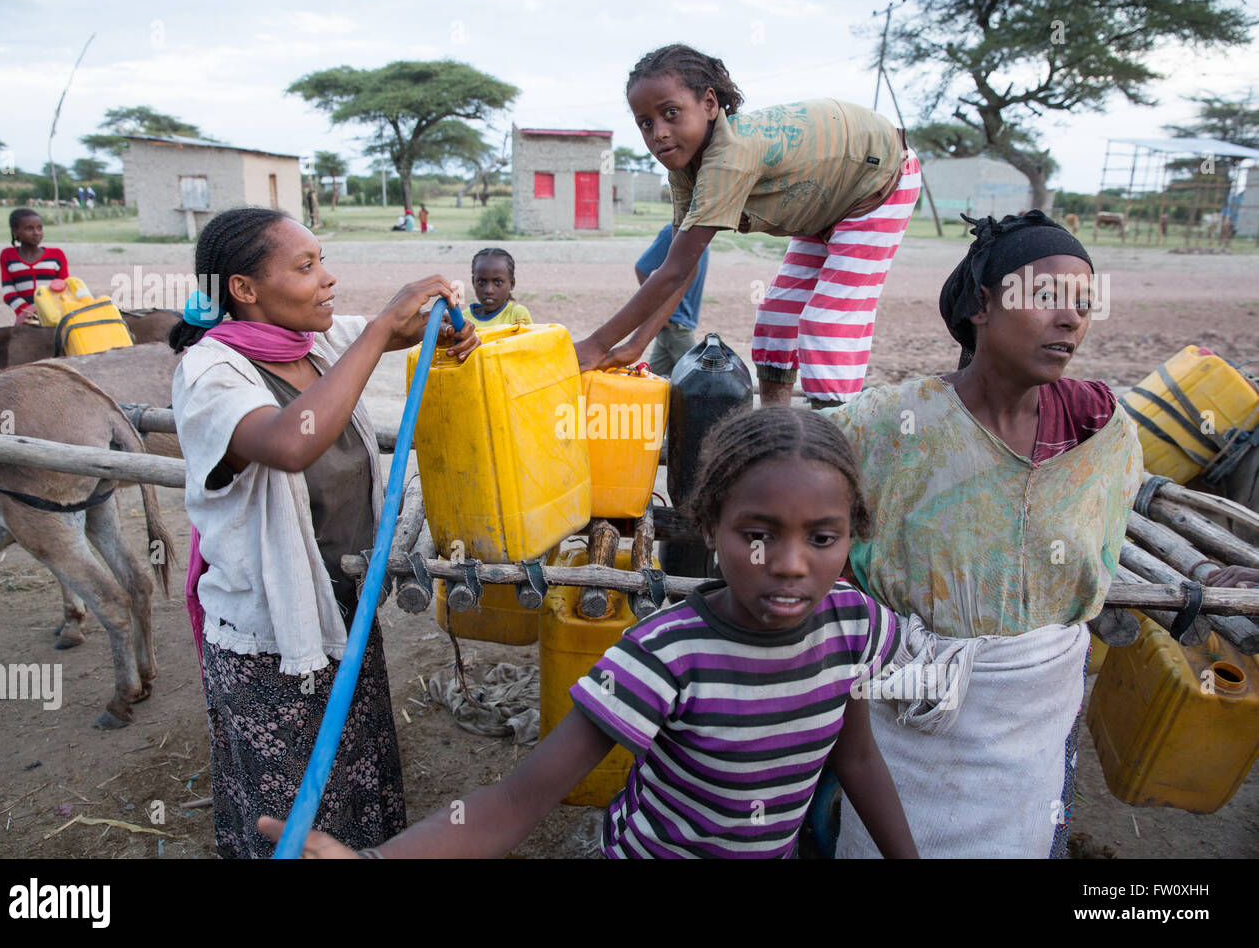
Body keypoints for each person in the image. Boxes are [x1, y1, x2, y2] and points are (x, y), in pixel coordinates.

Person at [259, 406, 918, 859]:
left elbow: (854, 755)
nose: (791, 563)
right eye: (757, 534)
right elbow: (520, 798)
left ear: (852, 534)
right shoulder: (665, 657)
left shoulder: (853, 627)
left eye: (822, 538)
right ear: (710, 526)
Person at [828, 211, 1142, 858]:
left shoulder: (1101, 435)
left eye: (1084, 306)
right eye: (1047, 297)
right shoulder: (887, 426)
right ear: (981, 305)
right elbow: (800, 496)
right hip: (905, 721)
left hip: (1034, 714)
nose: (1071, 320)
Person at [168, 206, 479, 858]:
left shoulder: (316, 343)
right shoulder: (211, 373)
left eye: (322, 261)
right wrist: (378, 332)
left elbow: (395, 330)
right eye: (306, 267)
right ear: (244, 290)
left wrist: (446, 324)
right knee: (288, 808)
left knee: (350, 778)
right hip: (270, 640)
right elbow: (288, 443)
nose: (328, 280)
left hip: (344, 611)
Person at [572, 43, 921, 412]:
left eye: (670, 113)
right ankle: (774, 428)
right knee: (776, 313)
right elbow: (681, 268)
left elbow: (672, 274)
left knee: (826, 322)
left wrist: (594, 345)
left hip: (879, 183)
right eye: (645, 123)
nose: (658, 133)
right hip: (825, 206)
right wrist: (633, 346)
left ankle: (838, 445)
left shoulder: (731, 157)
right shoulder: (683, 168)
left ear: (709, 104)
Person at [635, 224, 709, 376]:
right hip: (676, 324)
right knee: (700, 378)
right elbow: (642, 268)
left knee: (655, 378)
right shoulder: (673, 232)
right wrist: (660, 310)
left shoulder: (704, 231)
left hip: (679, 323)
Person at [0, 208, 69, 325]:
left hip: (54, 317)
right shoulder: (7, 256)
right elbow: (8, 292)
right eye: (29, 228)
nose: (36, 232)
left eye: (39, 228)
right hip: (26, 319)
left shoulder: (57, 255)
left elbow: (64, 288)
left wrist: (45, 310)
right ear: (15, 231)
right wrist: (27, 311)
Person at [463, 248, 533, 329]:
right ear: (473, 282)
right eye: (481, 282)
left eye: (498, 282)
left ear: (512, 283)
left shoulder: (517, 315)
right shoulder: (463, 319)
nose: (489, 290)